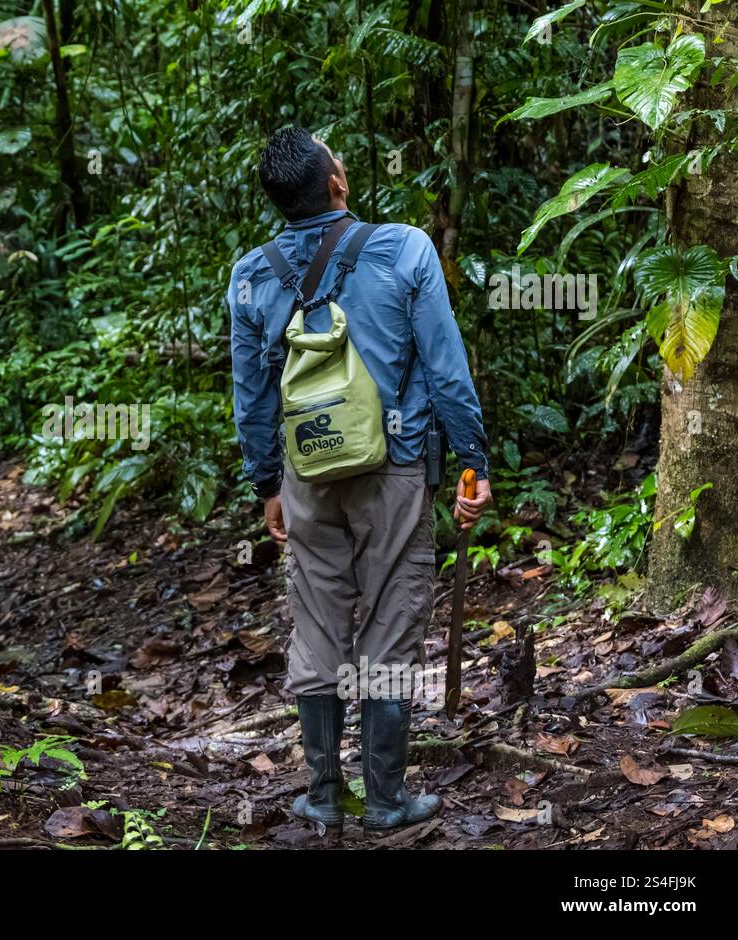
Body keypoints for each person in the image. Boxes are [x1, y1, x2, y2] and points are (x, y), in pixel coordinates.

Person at [227, 126, 493, 831]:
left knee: (316, 625)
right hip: (396, 468)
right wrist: (473, 461)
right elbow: (445, 367)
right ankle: (385, 800)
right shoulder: (404, 247)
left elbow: (251, 394)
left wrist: (268, 486)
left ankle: (322, 796)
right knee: (390, 622)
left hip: (307, 473)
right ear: (336, 183)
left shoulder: (251, 274)